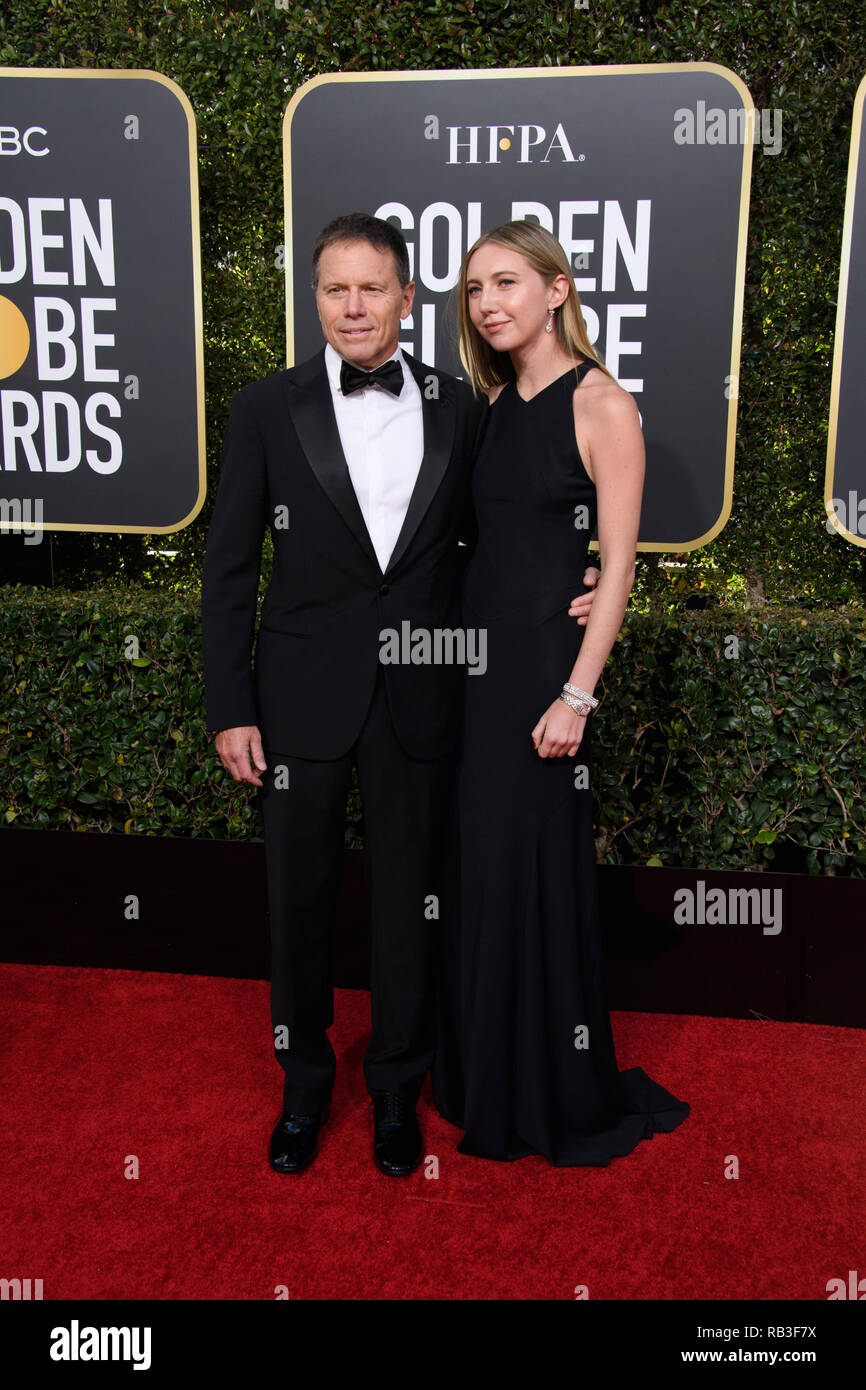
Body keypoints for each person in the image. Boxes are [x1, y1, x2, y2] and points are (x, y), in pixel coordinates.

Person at [200, 212, 602, 1176]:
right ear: (316, 298)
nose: (352, 307)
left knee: (409, 906)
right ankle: (303, 1093)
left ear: (407, 299)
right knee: (297, 904)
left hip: (425, 697)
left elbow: (508, 527)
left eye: (371, 289)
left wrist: (578, 582)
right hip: (297, 699)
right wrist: (230, 704)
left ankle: (393, 1092)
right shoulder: (264, 408)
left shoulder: (465, 406)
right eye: (334, 289)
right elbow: (227, 571)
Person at [431, 221, 690, 1165]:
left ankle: (547, 1086)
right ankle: (484, 1073)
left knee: (533, 871)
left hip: (546, 673)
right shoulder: (496, 405)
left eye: (506, 282)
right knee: (480, 872)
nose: (488, 302)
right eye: (472, 290)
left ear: (558, 290)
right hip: (476, 671)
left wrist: (577, 696)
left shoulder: (602, 403)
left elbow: (619, 566)